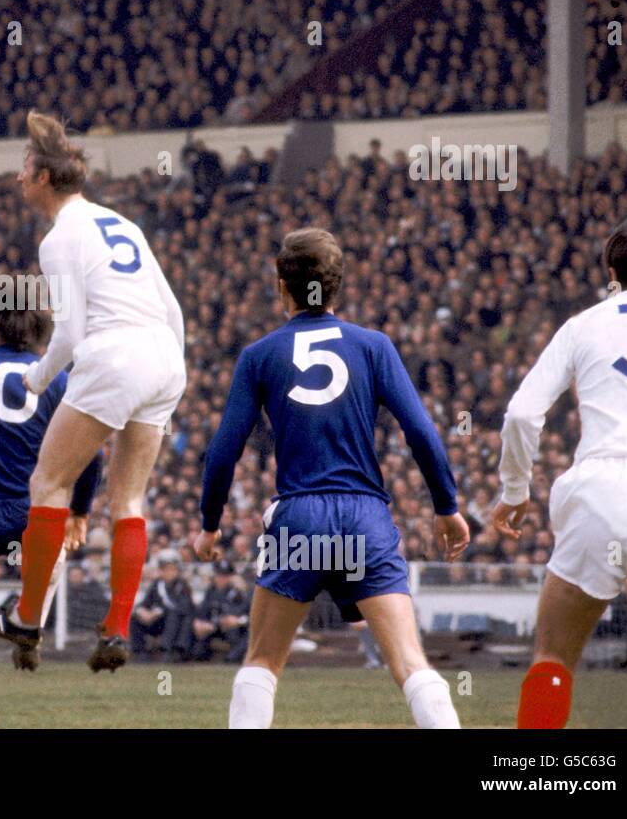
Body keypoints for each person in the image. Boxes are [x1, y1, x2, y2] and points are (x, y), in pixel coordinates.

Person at [196, 227, 468, 729]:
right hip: (365, 516)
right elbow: (423, 433)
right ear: (337, 285)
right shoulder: (374, 346)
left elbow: (222, 452)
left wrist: (209, 523)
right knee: (410, 663)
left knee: (262, 662)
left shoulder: (259, 355)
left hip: (298, 517)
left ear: (281, 284)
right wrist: (446, 506)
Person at [0, 111, 186, 673]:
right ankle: (116, 629)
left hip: (115, 356)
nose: (18, 178)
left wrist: (37, 377)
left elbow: (68, 333)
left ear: (44, 177)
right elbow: (173, 311)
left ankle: (25, 617)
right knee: (129, 501)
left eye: (23, 168)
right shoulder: (121, 223)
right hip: (165, 358)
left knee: (48, 482)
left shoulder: (59, 237)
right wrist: (171, 372)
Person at [492, 216, 627, 727]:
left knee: (552, 658)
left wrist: (515, 489)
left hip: (601, 492)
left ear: (612, 270)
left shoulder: (583, 324)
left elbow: (522, 413)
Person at [0, 298, 101, 728]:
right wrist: (80, 512)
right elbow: (90, 455)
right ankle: (31, 623)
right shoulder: (60, 381)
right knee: (57, 539)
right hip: (30, 512)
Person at [129, 552, 195, 661]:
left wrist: (159, 611)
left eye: (171, 569)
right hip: (159, 622)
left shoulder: (182, 586)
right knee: (135, 618)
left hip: (176, 623)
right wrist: (141, 611)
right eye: (165, 569)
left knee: (173, 617)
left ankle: (167, 650)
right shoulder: (157, 584)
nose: (168, 573)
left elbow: (182, 607)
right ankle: (140, 652)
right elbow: (146, 602)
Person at [191, 562, 250, 663]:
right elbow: (204, 610)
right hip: (214, 626)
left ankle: (232, 659)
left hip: (231, 627)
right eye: (219, 575)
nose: (221, 579)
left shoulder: (236, 592)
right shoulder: (211, 590)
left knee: (234, 633)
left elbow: (237, 612)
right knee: (197, 647)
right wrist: (200, 621)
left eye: (224, 576)